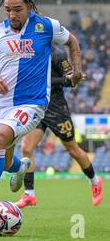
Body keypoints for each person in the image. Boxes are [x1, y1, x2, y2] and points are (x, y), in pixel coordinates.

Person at [0, 0, 83, 222]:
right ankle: (19, 167)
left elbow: (73, 43)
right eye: (8, 10)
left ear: (29, 7)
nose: (12, 15)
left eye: (18, 9)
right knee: (4, 161)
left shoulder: (45, 26)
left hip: (33, 104)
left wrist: (76, 72)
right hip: (1, 105)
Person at [15, 46, 103, 208]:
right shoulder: (31, 51)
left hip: (56, 108)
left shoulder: (58, 54)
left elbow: (71, 80)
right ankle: (29, 195)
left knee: (72, 149)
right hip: (37, 106)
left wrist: (46, 82)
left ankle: (95, 181)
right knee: (26, 148)